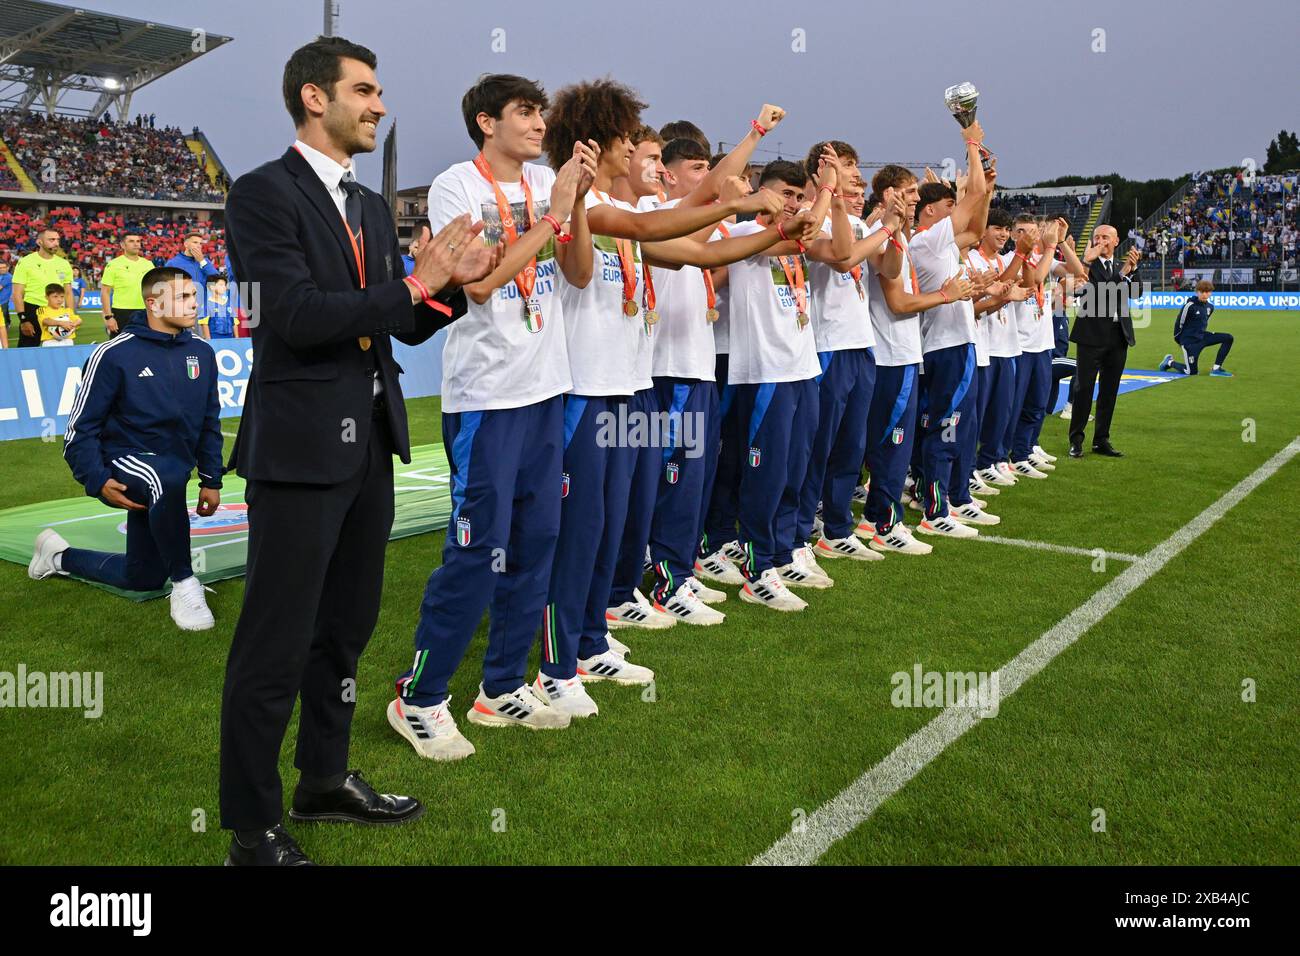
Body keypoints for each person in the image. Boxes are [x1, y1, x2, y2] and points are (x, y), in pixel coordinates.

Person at [219, 35, 486, 866]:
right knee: (276, 637)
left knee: (345, 629)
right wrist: (411, 285)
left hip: (369, 443)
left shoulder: (369, 206)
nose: (378, 104)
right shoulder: (262, 196)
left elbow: (393, 319)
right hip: (298, 450)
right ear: (314, 98)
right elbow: (291, 317)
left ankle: (324, 778)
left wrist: (456, 290)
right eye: (364, 90)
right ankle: (251, 826)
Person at [390, 72, 597, 746]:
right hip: (487, 395)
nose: (540, 124)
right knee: (477, 551)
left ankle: (502, 685)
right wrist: (557, 212)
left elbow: (580, 274)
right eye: (525, 111)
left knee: (536, 544)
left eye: (542, 112)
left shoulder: (547, 186)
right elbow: (480, 284)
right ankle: (419, 697)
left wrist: (578, 206)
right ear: (487, 122)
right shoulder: (459, 186)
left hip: (547, 390)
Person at [30, 267, 220, 632]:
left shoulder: (202, 352)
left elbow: (209, 422)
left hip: (169, 475)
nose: (194, 303)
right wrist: (97, 478)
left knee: (143, 576)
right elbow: (79, 431)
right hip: (123, 462)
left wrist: (211, 478)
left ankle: (56, 556)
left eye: (194, 296)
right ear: (153, 302)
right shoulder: (113, 353)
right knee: (164, 473)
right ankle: (184, 582)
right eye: (182, 297)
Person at [906, 125, 994, 537]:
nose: (953, 210)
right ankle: (935, 510)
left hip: (960, 343)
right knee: (946, 425)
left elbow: (975, 230)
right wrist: (971, 145)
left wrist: (987, 191)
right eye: (946, 205)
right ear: (929, 212)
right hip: (945, 345)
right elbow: (970, 201)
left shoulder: (940, 243)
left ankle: (957, 498)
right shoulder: (925, 241)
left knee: (961, 425)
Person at [1068, 224, 1141, 458]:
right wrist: (1122, 275)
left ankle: (1101, 440)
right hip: (1091, 336)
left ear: (1116, 241)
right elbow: (1098, 292)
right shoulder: (1086, 264)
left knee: (1109, 390)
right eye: (1097, 237)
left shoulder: (1123, 265)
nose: (1101, 240)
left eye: (1105, 237)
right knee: (1084, 389)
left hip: (1118, 336)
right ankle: (1076, 440)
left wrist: (1134, 269)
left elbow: (1136, 293)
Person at [12, 228, 72, 348]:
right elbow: (17, 294)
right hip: (32, 310)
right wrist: (23, 320)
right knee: (27, 352)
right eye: (51, 240)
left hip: (57, 312)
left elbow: (68, 292)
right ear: (40, 242)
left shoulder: (64, 264)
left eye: (57, 240)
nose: (56, 243)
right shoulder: (25, 262)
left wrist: (70, 315)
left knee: (57, 352)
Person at [1160, 280, 1234, 376]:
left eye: (1207, 292)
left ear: (1210, 293)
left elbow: (1202, 323)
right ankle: (1169, 362)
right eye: (1201, 292)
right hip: (1190, 343)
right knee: (1191, 372)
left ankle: (1216, 369)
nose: (1204, 294)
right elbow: (1179, 324)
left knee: (1228, 338)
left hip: (1202, 337)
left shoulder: (1210, 307)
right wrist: (1180, 341)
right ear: (1197, 292)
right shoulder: (1189, 306)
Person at [100, 234, 153, 336]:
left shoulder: (148, 264)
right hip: (121, 312)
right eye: (131, 241)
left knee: (145, 347)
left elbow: (154, 290)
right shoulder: (113, 264)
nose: (136, 244)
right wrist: (108, 317)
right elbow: (105, 292)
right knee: (119, 348)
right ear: (122, 245)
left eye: (138, 241)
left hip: (145, 311)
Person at [204, 274, 236, 339]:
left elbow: (234, 322)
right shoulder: (207, 304)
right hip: (215, 337)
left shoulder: (229, 303)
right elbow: (204, 324)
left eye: (225, 285)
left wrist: (237, 337)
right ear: (211, 287)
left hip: (230, 337)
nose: (224, 287)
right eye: (221, 285)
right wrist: (209, 339)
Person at [0, 260, 13, 348]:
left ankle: (5, 333)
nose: (2, 269)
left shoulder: (8, 276)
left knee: (3, 318)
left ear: (7, 268)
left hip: (3, 300)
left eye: (4, 267)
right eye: (0, 268)